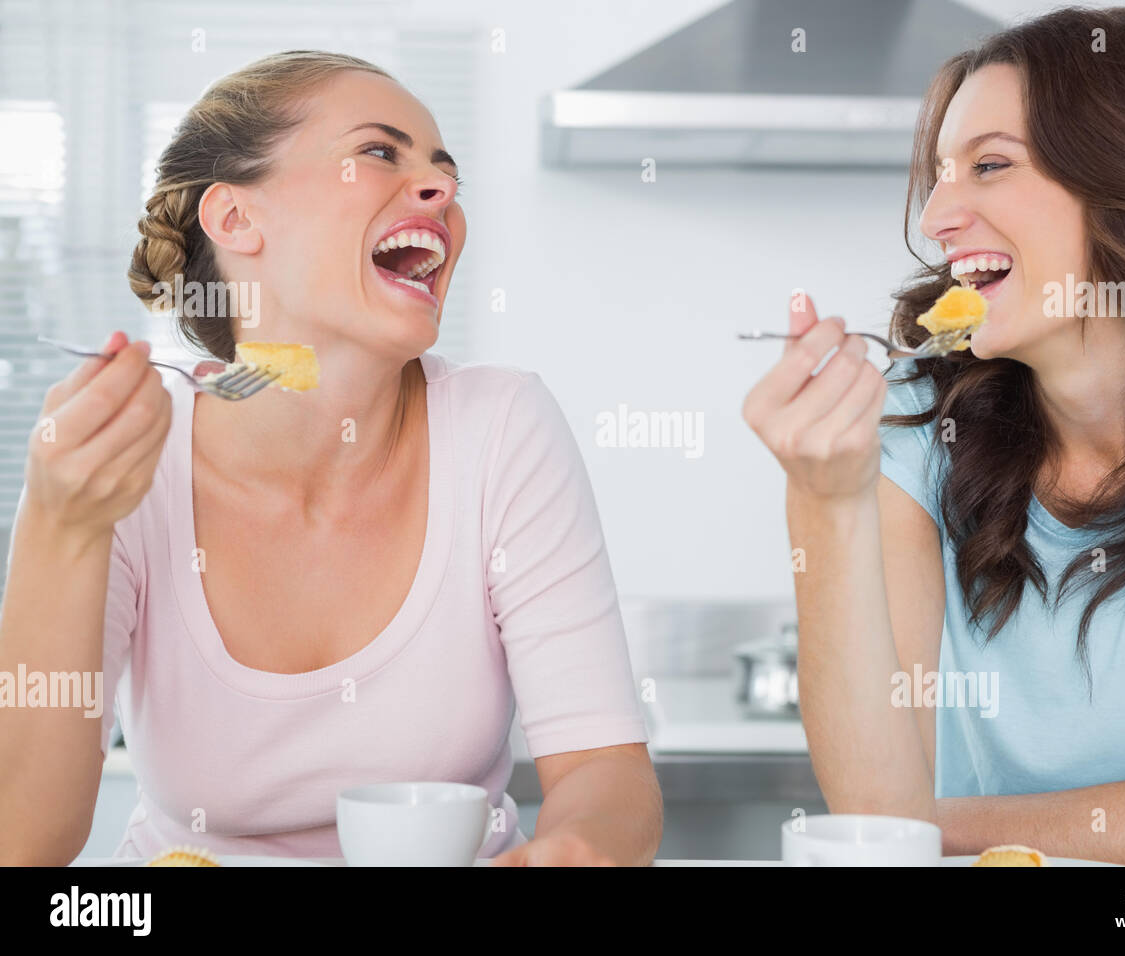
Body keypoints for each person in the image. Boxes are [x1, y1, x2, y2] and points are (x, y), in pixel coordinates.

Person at [0, 51, 661, 866]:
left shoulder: (500, 428)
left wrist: (578, 850)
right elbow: (22, 842)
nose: (442, 190)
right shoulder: (132, 465)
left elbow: (605, 772)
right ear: (237, 221)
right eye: (381, 153)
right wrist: (65, 526)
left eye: (444, 171)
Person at [743, 7, 1125, 864]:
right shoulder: (919, 425)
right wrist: (824, 502)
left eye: (989, 165)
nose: (937, 218)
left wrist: (942, 828)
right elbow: (880, 821)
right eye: (939, 175)